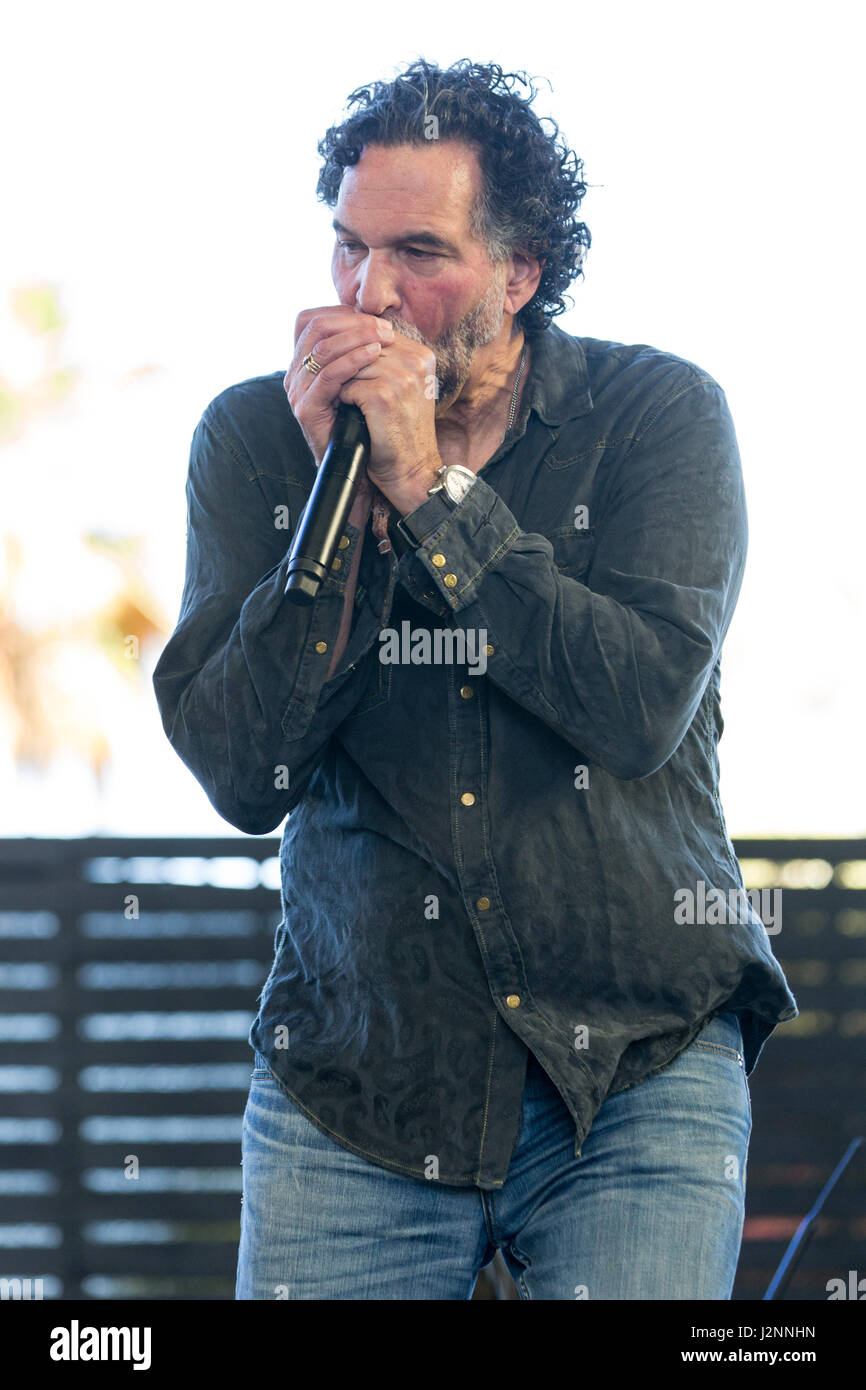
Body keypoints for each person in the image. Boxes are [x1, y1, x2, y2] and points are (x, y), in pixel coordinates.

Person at [153, 58, 798, 1301]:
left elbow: (634, 702)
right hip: (361, 1080)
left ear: (520, 273)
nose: (370, 294)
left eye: (419, 252)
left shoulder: (656, 417)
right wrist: (335, 519)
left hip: (629, 1067)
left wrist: (431, 496)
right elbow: (243, 770)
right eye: (347, 249)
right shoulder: (253, 439)